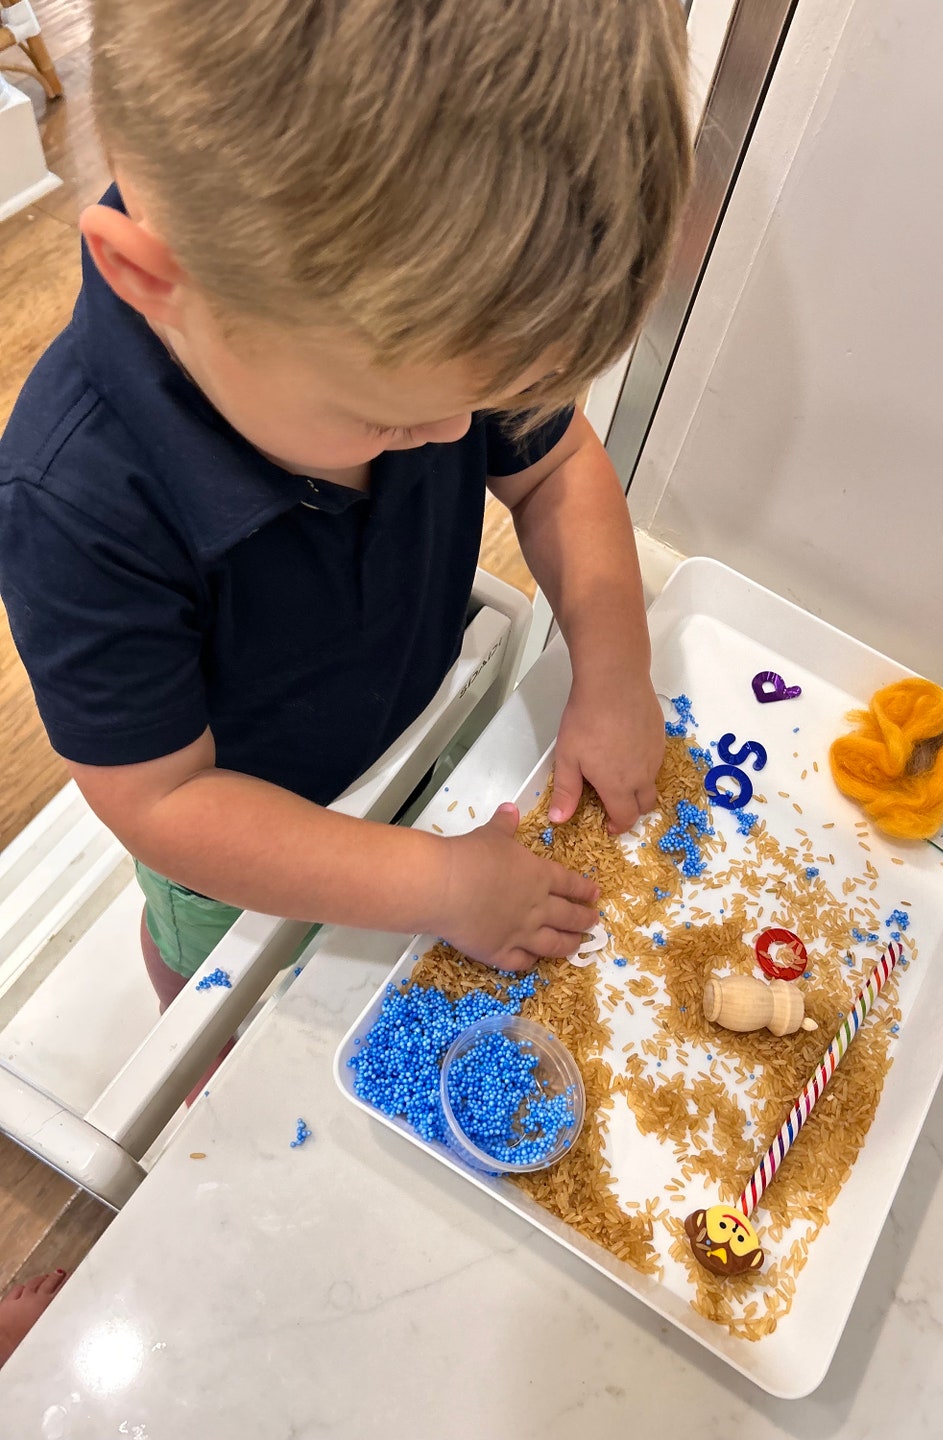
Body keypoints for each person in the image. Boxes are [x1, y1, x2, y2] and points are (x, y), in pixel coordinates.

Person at [0, 0, 693, 1002]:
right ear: (152, 281)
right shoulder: (74, 501)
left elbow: (553, 467)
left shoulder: (421, 341)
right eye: (391, 419)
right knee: (220, 996)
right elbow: (164, 802)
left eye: (479, 403)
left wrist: (617, 669)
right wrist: (441, 883)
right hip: (240, 847)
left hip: (416, 733)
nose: (459, 438)